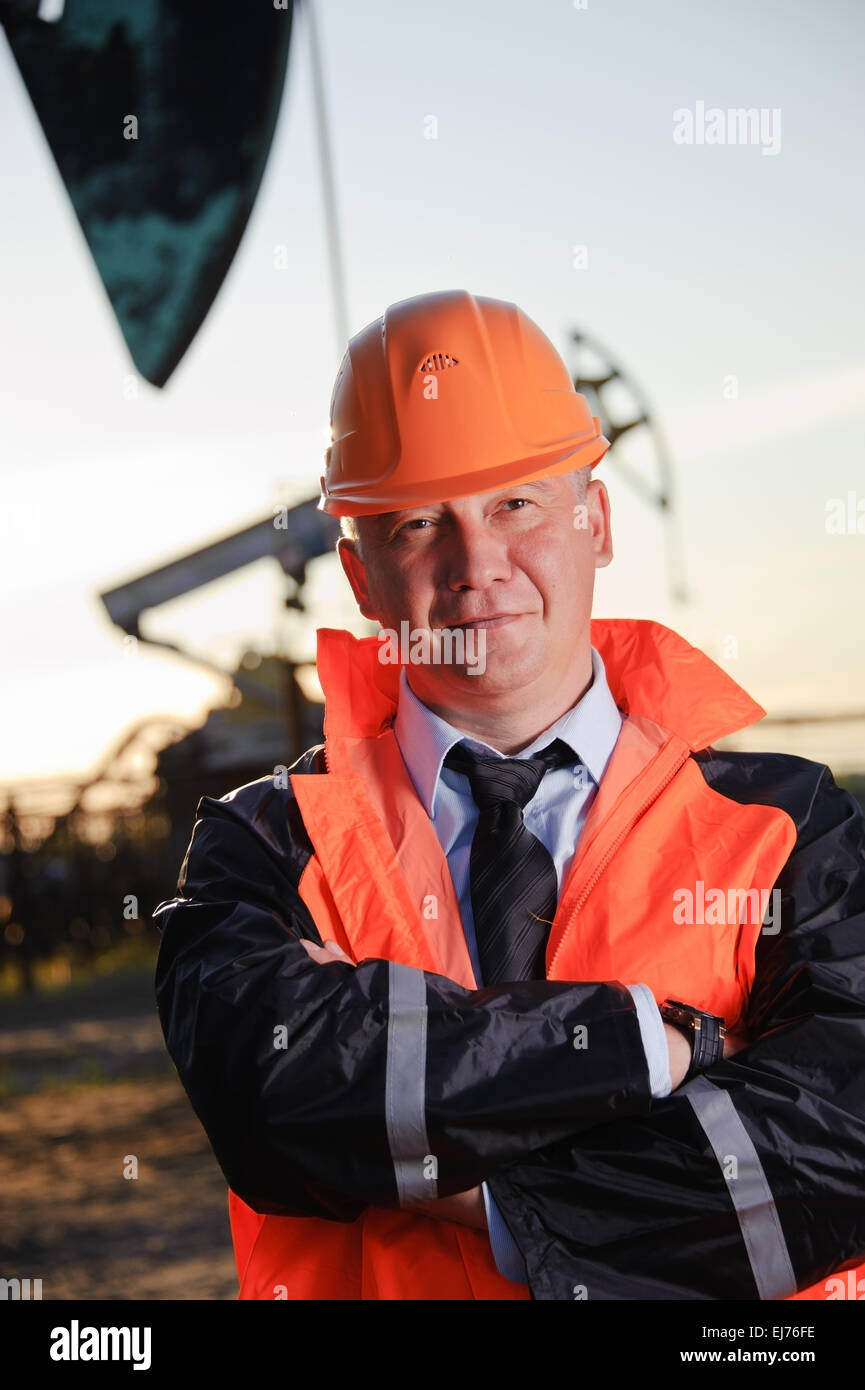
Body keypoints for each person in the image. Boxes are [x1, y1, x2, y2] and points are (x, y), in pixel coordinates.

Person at [154, 289, 865, 1301]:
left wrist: (491, 1197)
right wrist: (657, 1048)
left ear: (597, 522)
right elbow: (273, 1095)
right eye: (416, 523)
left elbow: (841, 1147)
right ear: (360, 579)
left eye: (515, 505)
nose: (476, 564)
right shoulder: (266, 841)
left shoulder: (787, 827)